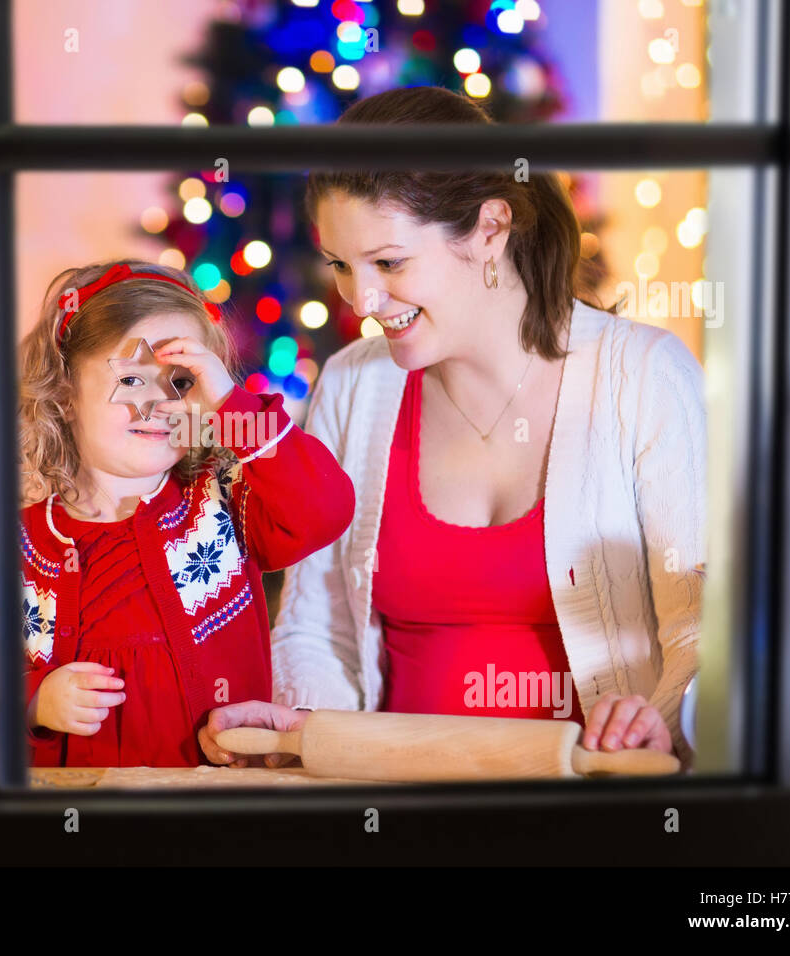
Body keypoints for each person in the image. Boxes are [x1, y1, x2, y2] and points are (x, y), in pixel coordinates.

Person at [200, 87, 705, 772]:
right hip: (393, 802)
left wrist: (657, 717)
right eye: (342, 267)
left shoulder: (643, 374)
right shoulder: (354, 382)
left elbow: (699, 622)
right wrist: (316, 740)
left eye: (390, 262)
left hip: (591, 800)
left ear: (491, 228)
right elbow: (316, 628)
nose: (362, 301)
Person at [0, 259, 355, 767]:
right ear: (66, 394)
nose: (158, 403)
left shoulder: (224, 505)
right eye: (133, 381)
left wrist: (231, 402)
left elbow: (325, 509)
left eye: (182, 382)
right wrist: (34, 700)